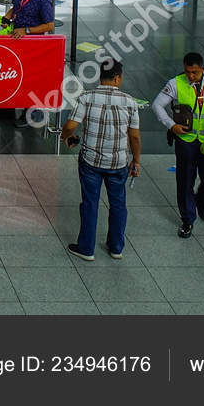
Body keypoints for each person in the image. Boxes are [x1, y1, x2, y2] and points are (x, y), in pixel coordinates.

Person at [62, 58, 142, 261]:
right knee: (118, 204)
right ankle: (116, 247)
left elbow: (71, 125)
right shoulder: (130, 102)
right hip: (118, 163)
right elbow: (134, 136)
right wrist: (136, 160)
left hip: (91, 162)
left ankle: (86, 249)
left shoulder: (87, 98)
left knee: (90, 203)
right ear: (117, 78)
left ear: (101, 76)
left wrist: (66, 137)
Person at [153, 51, 204, 239]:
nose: (190, 76)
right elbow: (157, 105)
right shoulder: (175, 84)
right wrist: (171, 126)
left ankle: (201, 203)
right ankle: (188, 220)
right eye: (187, 71)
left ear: (202, 69)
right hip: (186, 141)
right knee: (185, 180)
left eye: (194, 72)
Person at [0, 0, 55, 124]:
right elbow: (16, 7)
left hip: (32, 43)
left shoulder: (42, 1)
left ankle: (30, 114)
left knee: (28, 78)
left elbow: (49, 25)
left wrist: (26, 30)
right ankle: (6, 110)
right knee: (8, 73)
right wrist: (7, 17)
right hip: (15, 38)